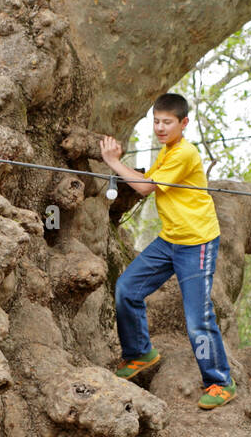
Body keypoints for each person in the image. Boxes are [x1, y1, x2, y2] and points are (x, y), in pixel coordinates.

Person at [99, 92, 235, 410]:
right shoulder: (167, 150)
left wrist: (114, 161)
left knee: (197, 319)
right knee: (126, 289)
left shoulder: (184, 154)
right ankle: (140, 353)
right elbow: (149, 181)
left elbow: (145, 188)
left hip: (196, 243)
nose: (160, 127)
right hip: (169, 239)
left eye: (167, 122)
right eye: (156, 121)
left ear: (183, 123)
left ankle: (220, 381)